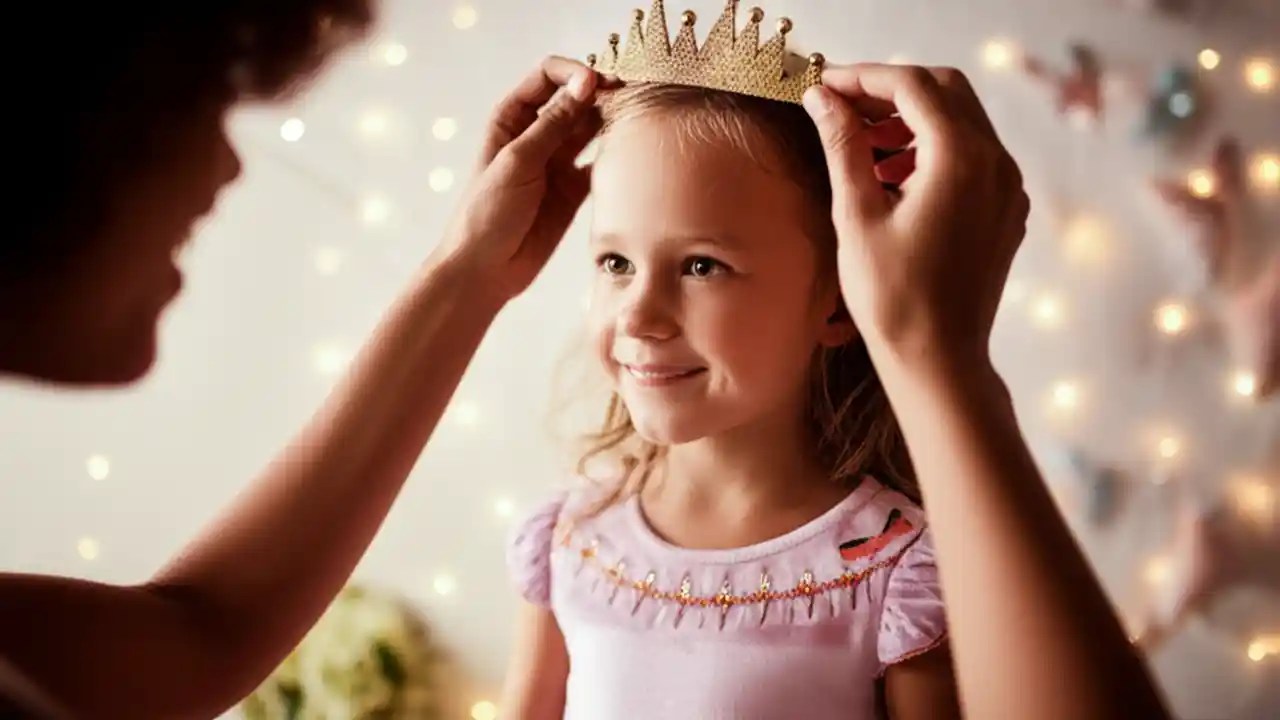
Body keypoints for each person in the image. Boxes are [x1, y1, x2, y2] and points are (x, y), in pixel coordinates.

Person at [0, 5, 1170, 720]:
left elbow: (198, 635)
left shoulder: (892, 563)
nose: (230, 167)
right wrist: (942, 362)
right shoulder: (570, 535)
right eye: (609, 262)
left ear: (833, 301)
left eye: (701, 265)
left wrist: (465, 269)